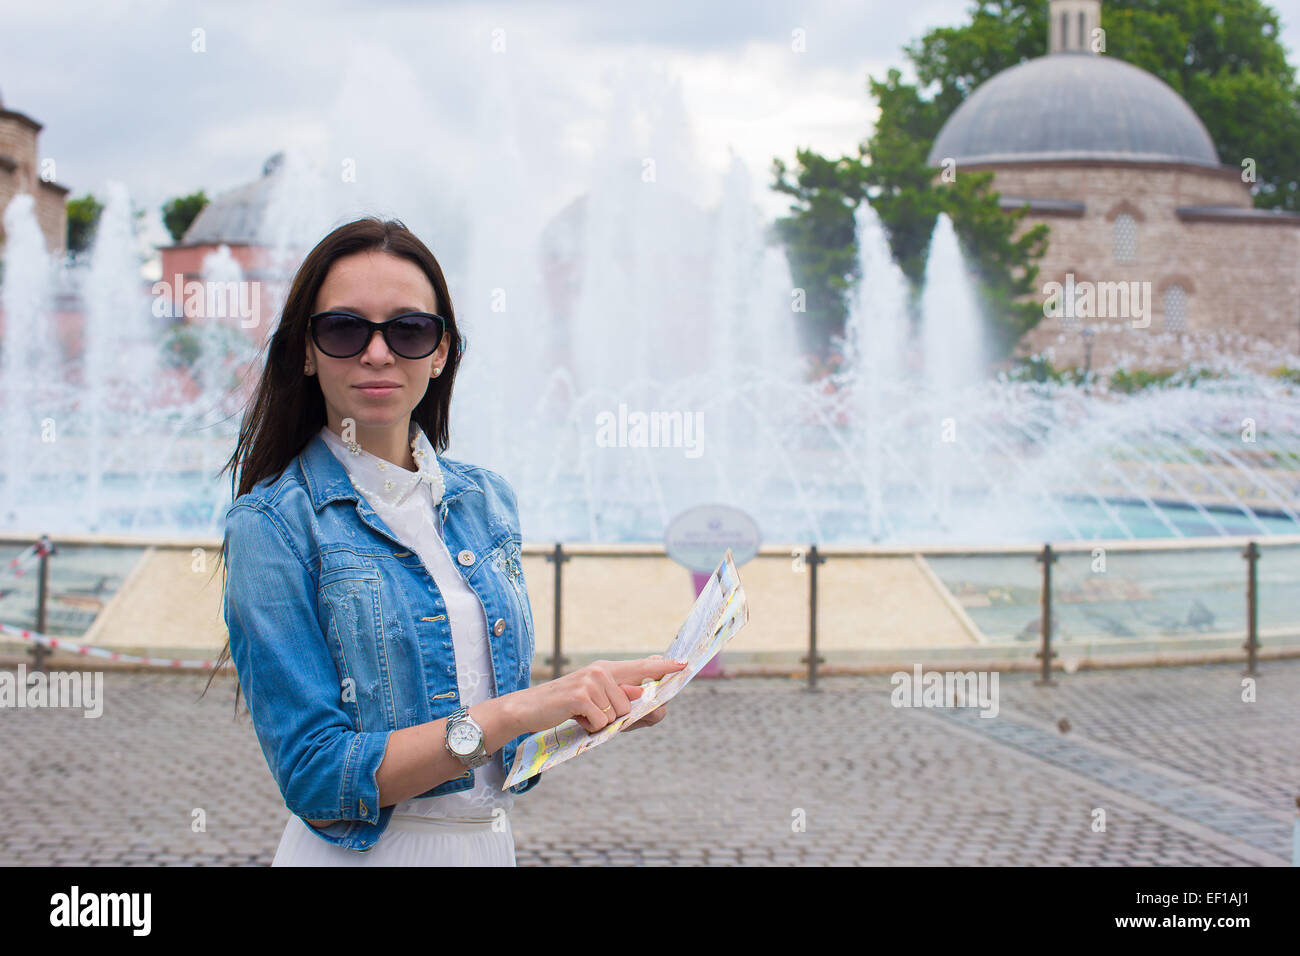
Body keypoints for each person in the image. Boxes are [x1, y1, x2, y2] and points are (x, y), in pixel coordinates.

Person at [205, 216, 685, 865]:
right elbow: (317, 777)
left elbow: (497, 749)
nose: (378, 353)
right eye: (345, 329)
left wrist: (586, 707)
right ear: (306, 351)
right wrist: (518, 711)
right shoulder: (273, 524)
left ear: (439, 351)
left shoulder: (485, 501)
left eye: (408, 330)